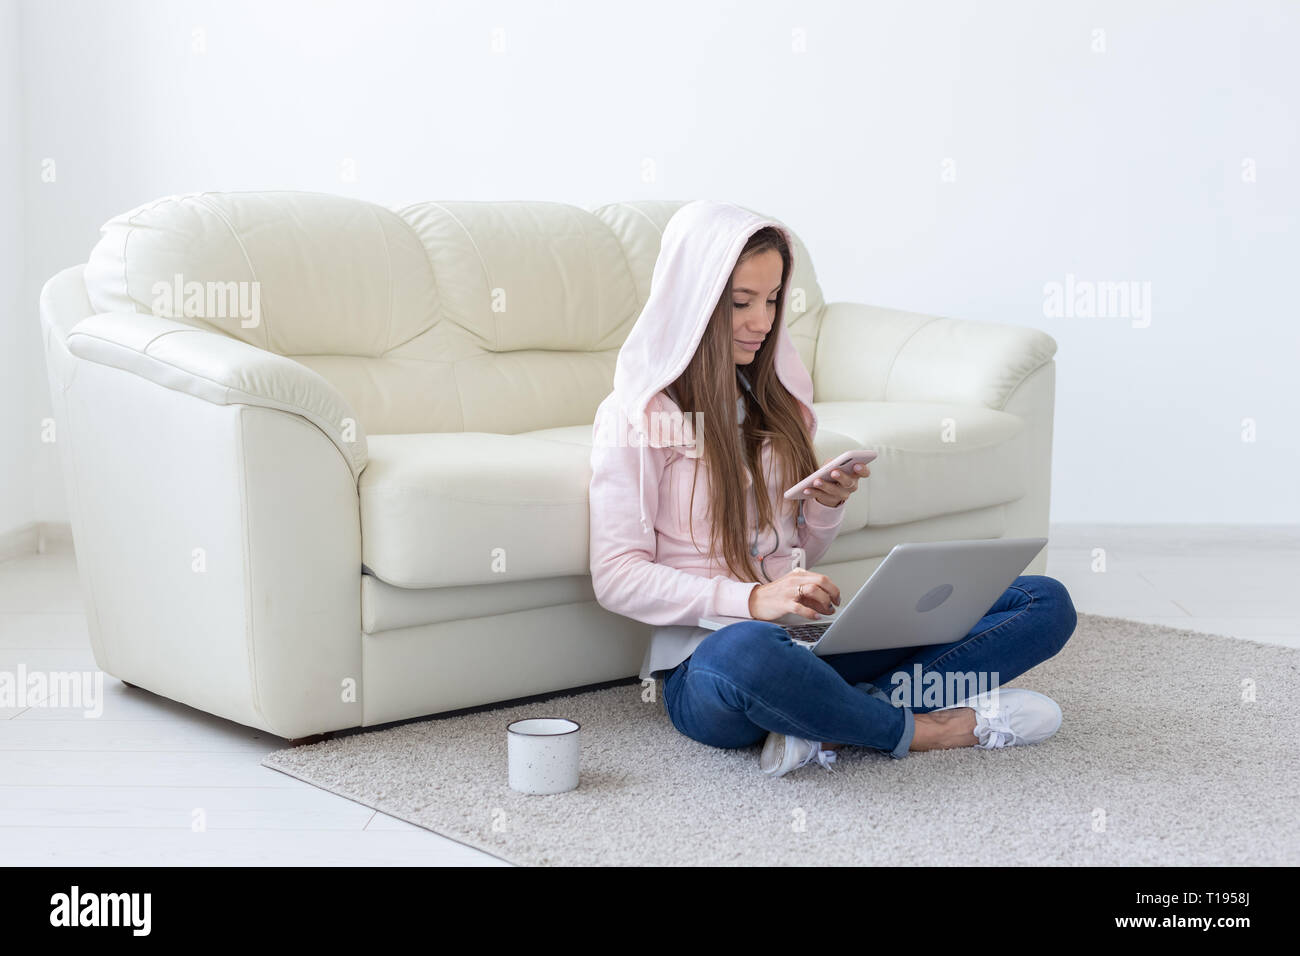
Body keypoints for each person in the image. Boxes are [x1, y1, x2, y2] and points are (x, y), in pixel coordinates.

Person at [587, 200, 1077, 777]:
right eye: (741, 302)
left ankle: (828, 719)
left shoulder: (775, 400)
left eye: (772, 301)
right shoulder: (636, 415)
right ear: (693, 300)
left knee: (1043, 601)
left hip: (808, 647)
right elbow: (616, 575)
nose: (762, 322)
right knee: (746, 651)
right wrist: (748, 602)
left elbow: (795, 557)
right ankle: (924, 728)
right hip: (711, 666)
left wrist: (822, 509)